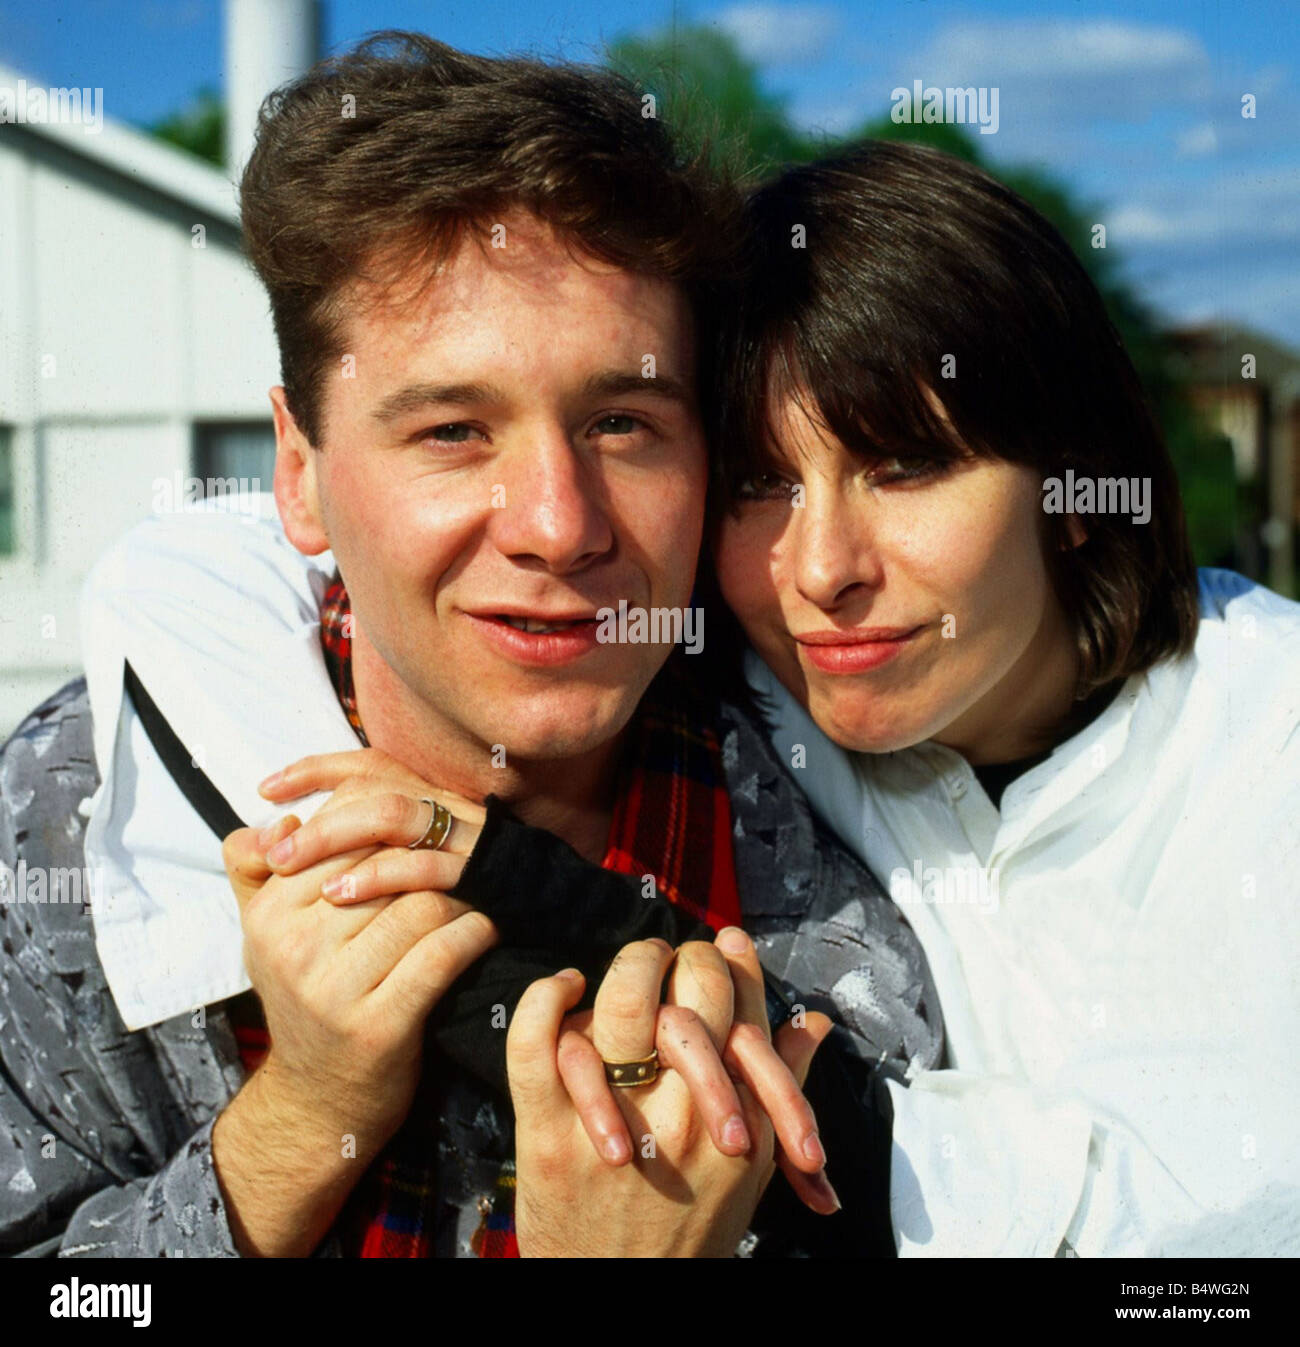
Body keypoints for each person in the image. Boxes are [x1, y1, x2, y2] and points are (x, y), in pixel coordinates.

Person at [0, 36, 939, 1258]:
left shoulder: (869, 823)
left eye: (622, 422)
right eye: (452, 430)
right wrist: (292, 1128)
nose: (557, 525)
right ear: (300, 472)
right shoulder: (72, 826)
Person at [709, 139, 1300, 1255]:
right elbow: (291, 566)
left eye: (903, 467)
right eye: (758, 484)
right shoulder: (730, 708)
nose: (821, 567)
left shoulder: (1273, 737)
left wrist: (870, 1142)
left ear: (1073, 487)